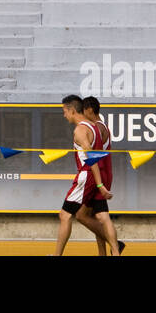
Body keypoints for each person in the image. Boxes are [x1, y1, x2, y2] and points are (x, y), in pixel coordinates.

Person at [53, 94, 120, 256]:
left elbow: (91, 159)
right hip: (96, 175)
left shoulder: (81, 130)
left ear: (72, 110)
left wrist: (99, 184)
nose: (64, 115)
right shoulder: (94, 126)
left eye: (64, 111)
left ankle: (57, 255)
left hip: (86, 176)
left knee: (65, 215)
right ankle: (115, 251)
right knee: (100, 216)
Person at [81, 96, 125, 256]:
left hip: (100, 173)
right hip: (102, 172)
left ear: (89, 110)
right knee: (95, 217)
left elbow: (92, 152)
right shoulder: (101, 126)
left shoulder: (97, 128)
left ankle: (115, 248)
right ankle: (102, 253)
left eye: (83, 111)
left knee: (98, 216)